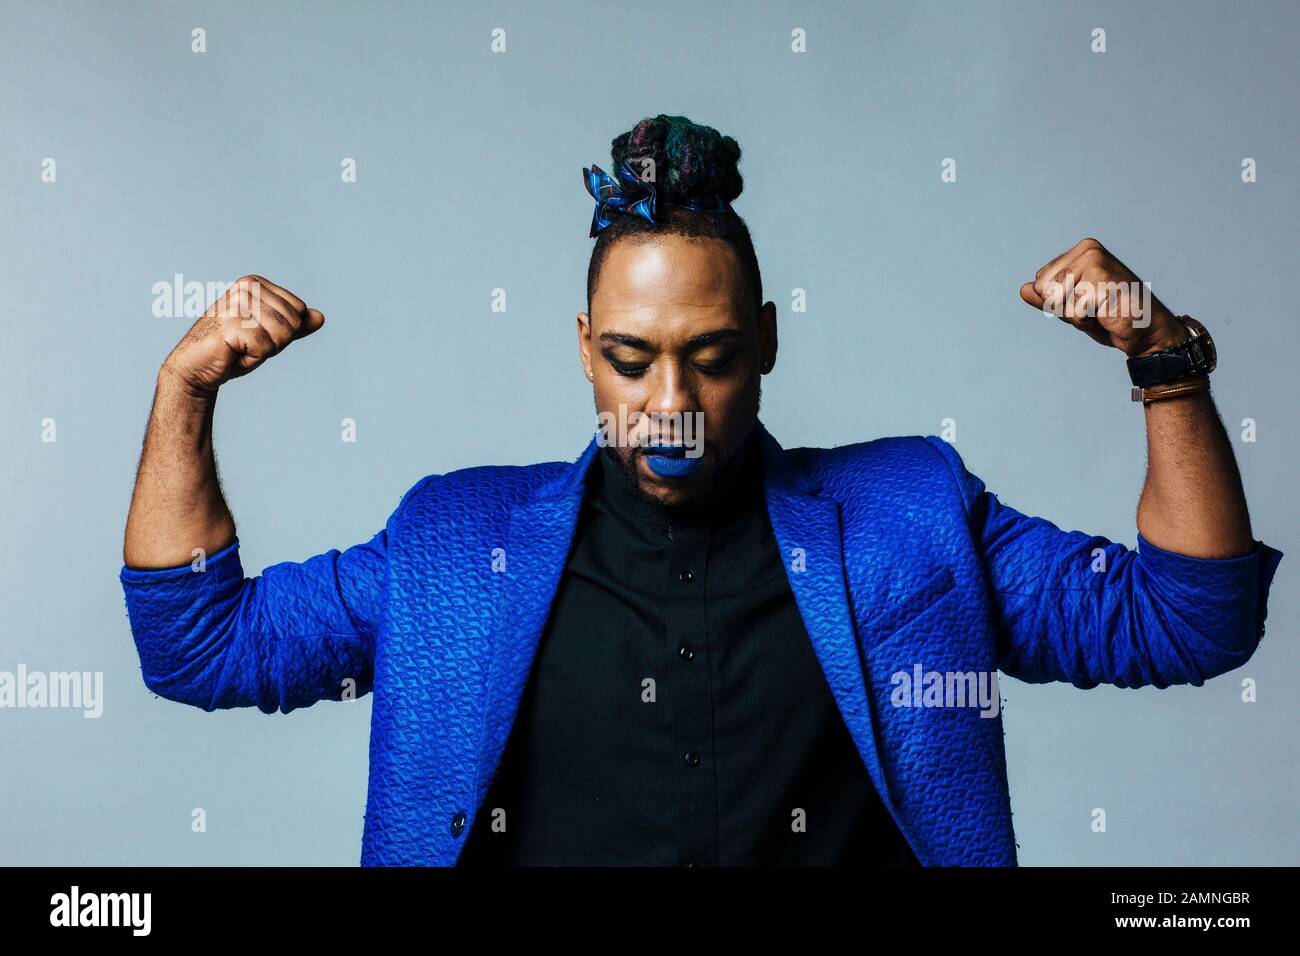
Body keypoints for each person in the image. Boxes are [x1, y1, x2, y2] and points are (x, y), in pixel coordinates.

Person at [119, 114, 1283, 866]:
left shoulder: (912, 516)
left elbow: (1189, 618)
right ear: (583, 346)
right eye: (630, 357)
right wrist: (184, 389)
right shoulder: (449, 542)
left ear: (766, 341)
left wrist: (1163, 363)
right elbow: (199, 645)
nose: (668, 394)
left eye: (711, 353)